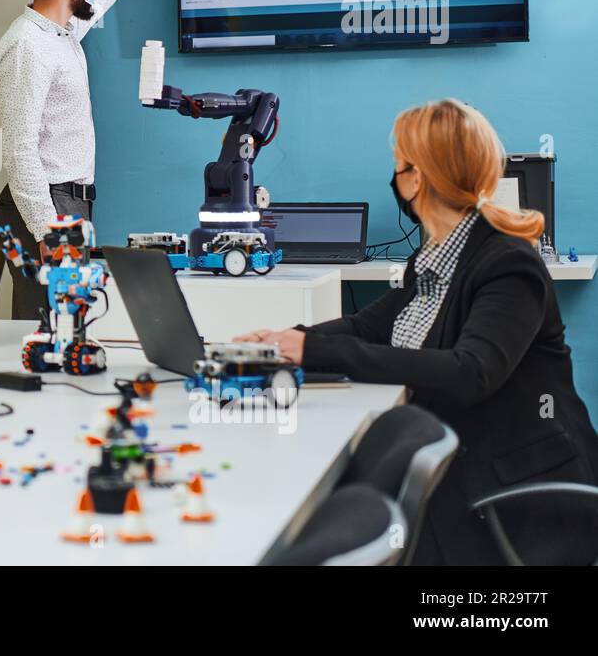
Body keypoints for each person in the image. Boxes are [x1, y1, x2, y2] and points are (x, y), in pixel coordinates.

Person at [235, 99, 598, 564]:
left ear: (417, 178)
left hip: (517, 497)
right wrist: (281, 343)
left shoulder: (508, 264)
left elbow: (469, 372)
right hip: (463, 468)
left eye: (398, 166)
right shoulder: (435, 257)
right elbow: (369, 326)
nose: (395, 177)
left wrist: (309, 351)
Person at [0, 0, 182, 318]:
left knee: (69, 324)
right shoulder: (28, 46)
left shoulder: (60, 34)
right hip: (46, 206)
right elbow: (19, 149)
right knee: (44, 326)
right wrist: (47, 230)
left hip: (70, 205)